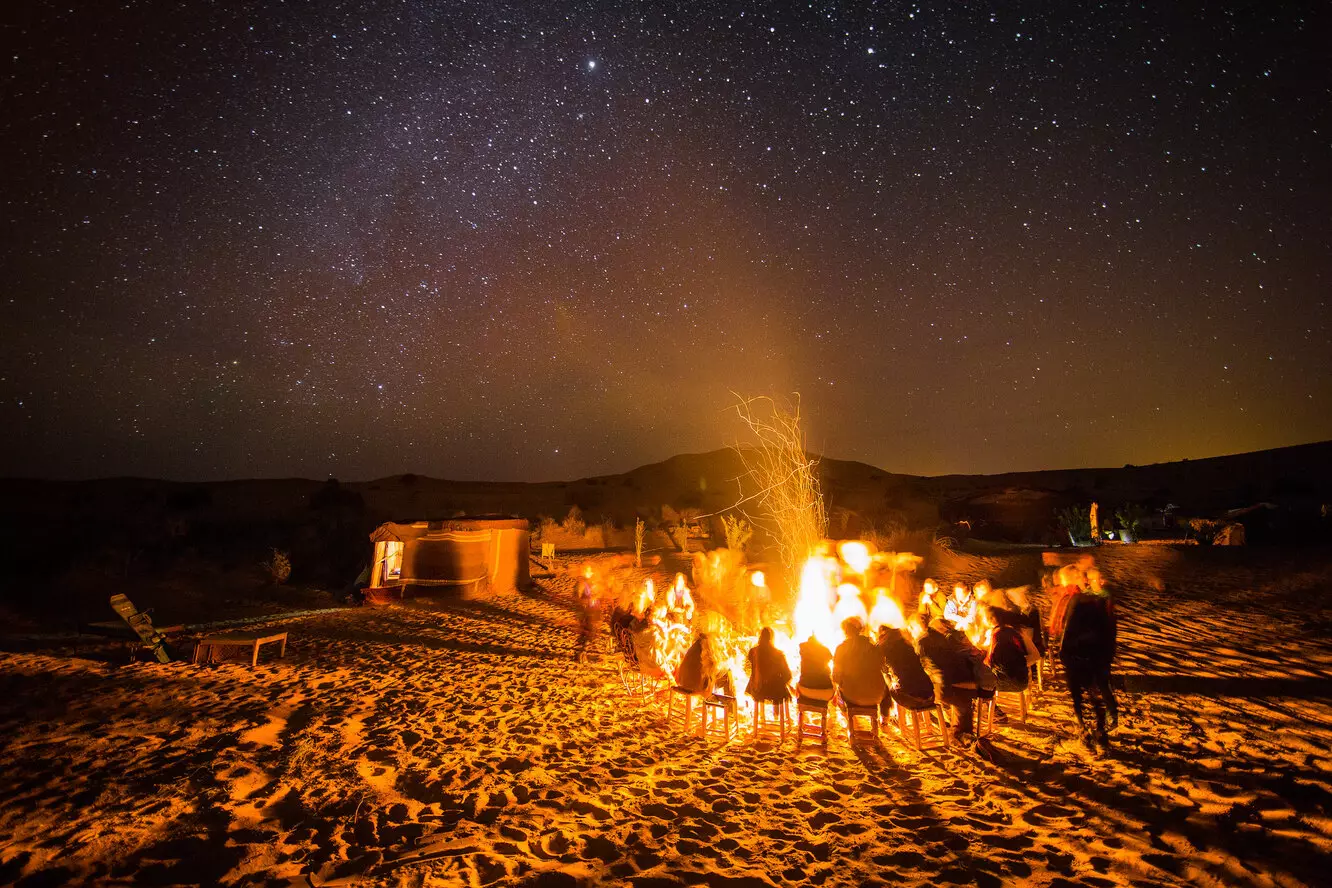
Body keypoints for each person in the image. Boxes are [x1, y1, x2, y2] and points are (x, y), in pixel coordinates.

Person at [1056, 570, 1118, 749]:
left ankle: (1084, 729)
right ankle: (1099, 729)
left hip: (1079, 656)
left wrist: (1064, 652)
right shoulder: (1098, 603)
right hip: (1094, 657)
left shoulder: (1077, 601)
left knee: (1078, 696)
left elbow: (1068, 628)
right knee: (1093, 694)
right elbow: (1108, 631)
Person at [915, 617, 994, 745]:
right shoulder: (945, 639)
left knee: (957, 700)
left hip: (944, 686)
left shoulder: (923, 641)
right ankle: (963, 733)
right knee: (963, 704)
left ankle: (961, 733)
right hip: (961, 684)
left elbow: (923, 666)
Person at [877, 623, 935, 715]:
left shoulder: (884, 648)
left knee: (885, 678)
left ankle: (886, 717)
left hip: (911, 699)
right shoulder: (908, 645)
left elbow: (883, 670)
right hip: (930, 696)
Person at [832, 617, 886, 709]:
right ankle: (885, 719)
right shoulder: (872, 647)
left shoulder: (841, 648)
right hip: (877, 696)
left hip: (852, 696)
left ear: (845, 631)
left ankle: (849, 719)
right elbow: (882, 667)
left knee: (838, 693)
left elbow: (836, 677)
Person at [675, 632, 734, 697]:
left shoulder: (694, 647)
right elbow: (713, 667)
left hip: (682, 684)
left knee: (718, 672)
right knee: (728, 673)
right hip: (697, 689)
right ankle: (730, 703)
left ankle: (728, 701)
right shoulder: (707, 646)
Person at [745, 627, 793, 703]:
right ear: (772, 638)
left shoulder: (752, 651)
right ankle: (777, 713)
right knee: (780, 684)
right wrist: (784, 682)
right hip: (773, 692)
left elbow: (750, 665)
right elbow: (787, 675)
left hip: (756, 689)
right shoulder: (778, 654)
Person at [796, 634, 835, 702]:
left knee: (797, 684)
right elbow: (832, 658)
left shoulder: (803, 650)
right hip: (826, 691)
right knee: (835, 684)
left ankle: (801, 708)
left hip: (805, 688)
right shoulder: (825, 650)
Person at [575, 568, 602, 662]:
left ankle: (594, 654)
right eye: (589, 572)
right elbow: (578, 600)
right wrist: (590, 600)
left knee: (592, 633)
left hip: (593, 612)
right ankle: (582, 655)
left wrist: (596, 595)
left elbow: (595, 593)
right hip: (586, 613)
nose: (591, 573)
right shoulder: (581, 584)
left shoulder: (589, 583)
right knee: (588, 634)